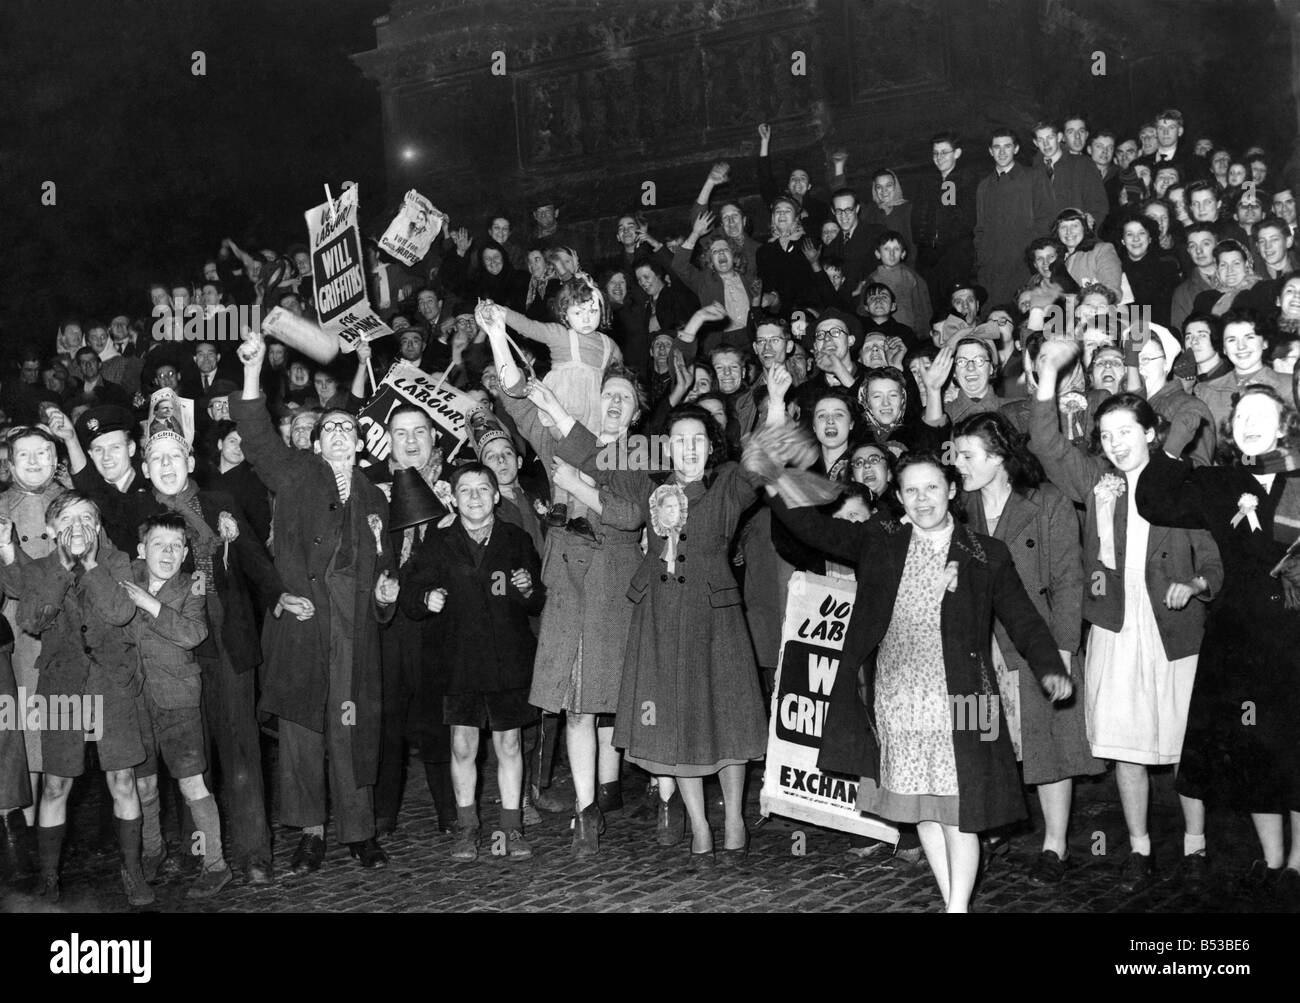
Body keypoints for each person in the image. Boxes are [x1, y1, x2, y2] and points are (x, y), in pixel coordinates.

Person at [765, 449, 1072, 912]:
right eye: (911, 489)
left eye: (932, 487)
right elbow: (811, 527)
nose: (922, 499)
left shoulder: (985, 553)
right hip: (897, 696)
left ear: (951, 490)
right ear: (899, 495)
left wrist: (1050, 666)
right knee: (923, 809)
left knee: (963, 812)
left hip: (968, 698)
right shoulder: (880, 539)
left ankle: (956, 908)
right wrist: (772, 478)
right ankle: (955, 904)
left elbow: (1024, 619)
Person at [1030, 341, 1222, 892]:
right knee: (1125, 746)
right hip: (1116, 628)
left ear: (1149, 433)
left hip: (1174, 633)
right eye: (1106, 435)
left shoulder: (1184, 483)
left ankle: (1195, 844)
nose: (1115, 444)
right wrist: (1047, 375)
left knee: (1189, 743)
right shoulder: (1096, 483)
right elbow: (1045, 442)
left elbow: (1210, 557)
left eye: (1125, 432)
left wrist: (1197, 584)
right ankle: (1139, 848)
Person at [567, 389, 785, 868]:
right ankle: (700, 825)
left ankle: (733, 821)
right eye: (680, 439)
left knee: (726, 720)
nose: (689, 447)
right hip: (661, 618)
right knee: (676, 726)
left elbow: (766, 458)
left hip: (716, 620)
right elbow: (595, 456)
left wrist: (780, 396)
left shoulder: (727, 484)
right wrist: (554, 409)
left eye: (698, 439)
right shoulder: (650, 488)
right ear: (667, 447)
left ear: (711, 447)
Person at [232, 332, 399, 874]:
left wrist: (383, 596)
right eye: (331, 430)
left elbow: (386, 565)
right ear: (317, 442)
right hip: (305, 624)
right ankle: (310, 832)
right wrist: (254, 370)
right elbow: (256, 438)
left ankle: (360, 831)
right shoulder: (296, 474)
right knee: (304, 733)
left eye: (349, 430)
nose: (340, 437)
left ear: (359, 442)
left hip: (353, 628)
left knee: (353, 727)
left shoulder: (377, 496)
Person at [484, 301, 644, 856]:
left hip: (613, 582)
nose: (615, 405)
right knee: (575, 704)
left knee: (617, 698)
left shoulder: (638, 454)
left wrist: (578, 488)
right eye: (608, 396)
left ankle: (661, 794)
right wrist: (496, 334)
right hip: (566, 577)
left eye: (624, 400)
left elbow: (630, 514)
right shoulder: (556, 438)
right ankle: (585, 811)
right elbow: (512, 394)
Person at [1135, 385, 1300, 905]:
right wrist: (1172, 445)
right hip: (1238, 635)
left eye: (1262, 415)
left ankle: (1299, 866)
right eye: (1242, 414)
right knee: (1255, 754)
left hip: (1294, 632)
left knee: (1295, 749)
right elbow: (1152, 500)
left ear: (1283, 426)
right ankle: (1274, 862)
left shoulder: (1299, 480)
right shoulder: (1220, 482)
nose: (1250, 423)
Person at [953, 413, 1104, 884]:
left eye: (967, 456)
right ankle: (986, 834)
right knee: (975, 738)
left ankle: (1054, 845)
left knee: (1048, 746)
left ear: (997, 458)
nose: (957, 464)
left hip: (1032, 641)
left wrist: (1062, 647)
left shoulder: (1047, 501)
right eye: (956, 455)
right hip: (976, 646)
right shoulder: (959, 505)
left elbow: (1066, 578)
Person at [0, 494, 149, 905]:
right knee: (54, 786)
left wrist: (91, 565)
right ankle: (50, 877)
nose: (79, 525)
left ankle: (132, 871)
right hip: (63, 686)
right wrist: (65, 567)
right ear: (51, 530)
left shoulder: (116, 562)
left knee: (123, 780)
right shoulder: (43, 569)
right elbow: (31, 620)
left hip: (110, 683)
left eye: (87, 517)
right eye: (67, 519)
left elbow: (120, 612)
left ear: (98, 526)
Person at [398, 463, 544, 862]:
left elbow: (537, 597)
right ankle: (467, 829)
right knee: (463, 746)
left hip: (507, 659)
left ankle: (511, 827)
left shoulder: (516, 538)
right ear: (453, 497)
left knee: (509, 744)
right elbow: (410, 591)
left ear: (497, 497)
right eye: (466, 490)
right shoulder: (437, 540)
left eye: (484, 489)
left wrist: (528, 589)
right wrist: (425, 600)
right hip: (457, 660)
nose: (475, 497)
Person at [124, 512, 232, 898]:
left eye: (175, 546)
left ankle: (216, 864)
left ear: (186, 552)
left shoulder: (191, 586)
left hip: (178, 702)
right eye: (159, 545)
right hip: (136, 699)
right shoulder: (125, 580)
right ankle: (153, 850)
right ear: (142, 550)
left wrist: (151, 606)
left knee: (191, 782)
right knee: (145, 784)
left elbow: (193, 633)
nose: (167, 553)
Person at [976, 127, 1055, 309]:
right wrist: (982, 257)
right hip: (993, 268)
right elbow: (980, 228)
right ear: (990, 151)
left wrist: (1031, 257)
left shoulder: (1033, 177)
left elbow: (1045, 219)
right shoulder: (984, 186)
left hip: (1023, 266)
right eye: (997, 147)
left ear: (1016, 149)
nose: (1002, 152)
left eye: (1007, 146)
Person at [913, 132, 978, 306]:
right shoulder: (928, 183)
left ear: (957, 153)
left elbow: (959, 221)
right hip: (930, 258)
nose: (939, 157)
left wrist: (942, 246)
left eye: (944, 152)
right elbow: (918, 219)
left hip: (953, 257)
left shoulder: (962, 181)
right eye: (935, 153)